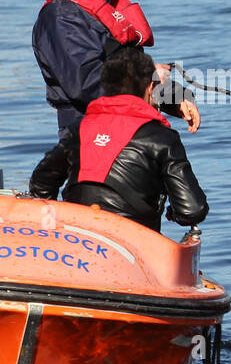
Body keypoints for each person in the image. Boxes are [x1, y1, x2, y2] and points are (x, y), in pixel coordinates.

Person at [33, 0, 200, 134]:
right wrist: (146, 75)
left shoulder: (104, 5)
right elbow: (87, 84)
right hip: (94, 140)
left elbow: (127, 66)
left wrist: (175, 99)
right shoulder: (61, 17)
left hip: (131, 130)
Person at [29, 45, 208, 232]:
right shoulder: (163, 138)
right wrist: (176, 212)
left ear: (106, 86)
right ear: (150, 87)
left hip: (78, 236)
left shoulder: (79, 129)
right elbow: (193, 211)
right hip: (133, 242)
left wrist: (50, 226)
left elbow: (40, 184)